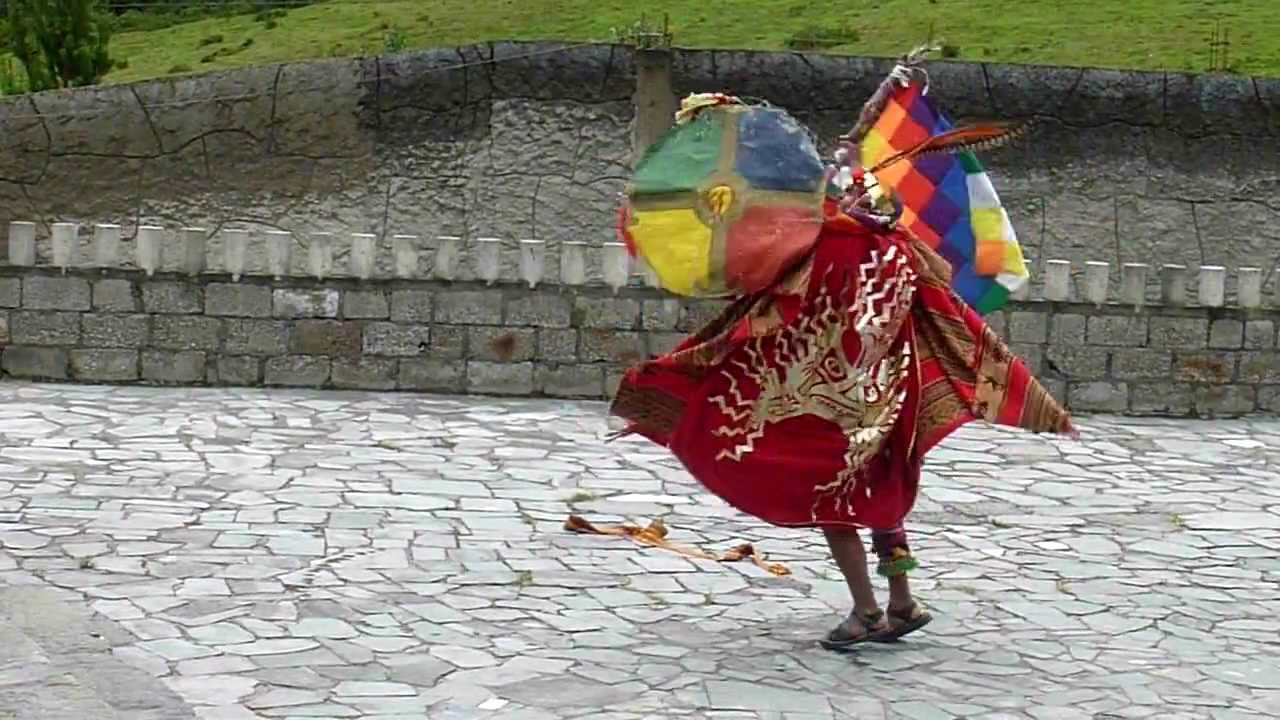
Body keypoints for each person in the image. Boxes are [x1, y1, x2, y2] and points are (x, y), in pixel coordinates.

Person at [609, 48, 1075, 649]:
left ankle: (868, 611)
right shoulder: (880, 243)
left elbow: (781, 308)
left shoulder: (825, 242)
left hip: (833, 394)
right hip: (885, 389)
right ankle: (902, 601)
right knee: (879, 497)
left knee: (834, 502)